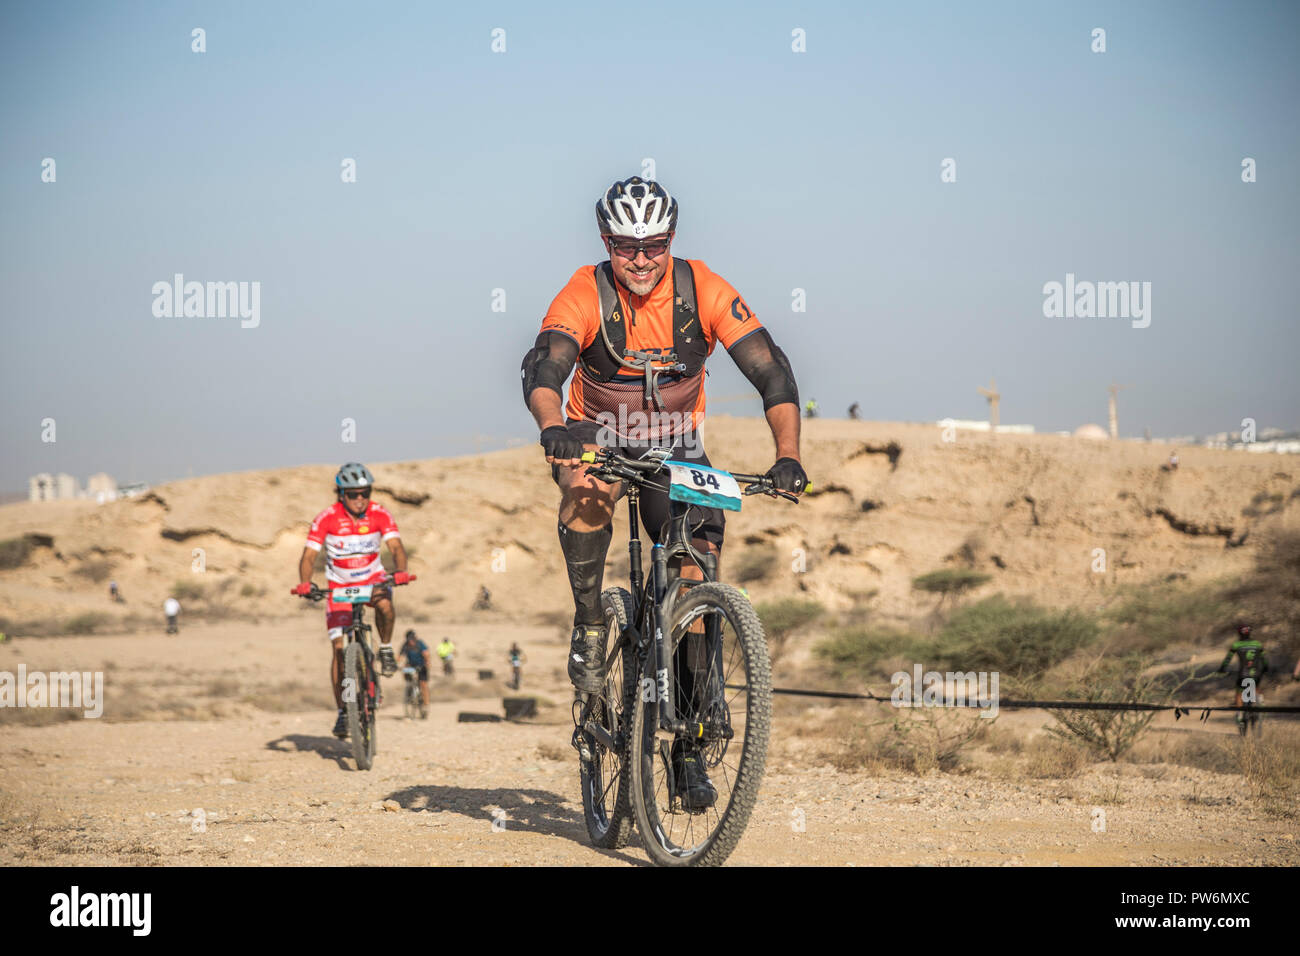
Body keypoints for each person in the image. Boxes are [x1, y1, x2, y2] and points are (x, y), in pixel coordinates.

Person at [520, 175, 807, 810]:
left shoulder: (702, 286)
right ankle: (593, 622)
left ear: (671, 240)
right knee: (587, 498)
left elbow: (771, 369)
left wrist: (787, 455)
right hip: (596, 435)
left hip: (676, 445)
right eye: (627, 247)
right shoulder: (585, 290)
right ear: (606, 241)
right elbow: (544, 367)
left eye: (654, 245)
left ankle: (688, 747)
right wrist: (554, 428)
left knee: (694, 580)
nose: (642, 259)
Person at [291, 462, 411, 740]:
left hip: (373, 581)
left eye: (364, 493)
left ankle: (385, 647)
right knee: (338, 650)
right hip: (340, 586)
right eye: (353, 494)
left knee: (385, 605)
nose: (360, 499)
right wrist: (306, 582)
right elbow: (308, 556)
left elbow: (396, 547)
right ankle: (344, 711)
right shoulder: (326, 518)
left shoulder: (380, 513)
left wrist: (401, 571)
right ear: (341, 494)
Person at [1213, 622, 1269, 733]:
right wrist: (1266, 668)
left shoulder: (1236, 645)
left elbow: (1227, 659)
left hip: (1243, 674)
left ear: (1239, 634)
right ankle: (1260, 701)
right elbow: (1264, 659)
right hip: (1256, 674)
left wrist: (1222, 669)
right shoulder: (1258, 644)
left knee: (1239, 693)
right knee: (1256, 687)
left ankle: (1239, 714)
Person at [401, 629, 432, 718]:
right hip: (411, 666)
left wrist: (427, 663)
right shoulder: (405, 645)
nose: (411, 641)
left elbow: (426, 654)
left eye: (412, 639)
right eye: (409, 640)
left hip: (421, 666)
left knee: (423, 684)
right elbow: (400, 656)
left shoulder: (420, 644)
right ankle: (410, 691)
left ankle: (425, 705)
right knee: (406, 674)